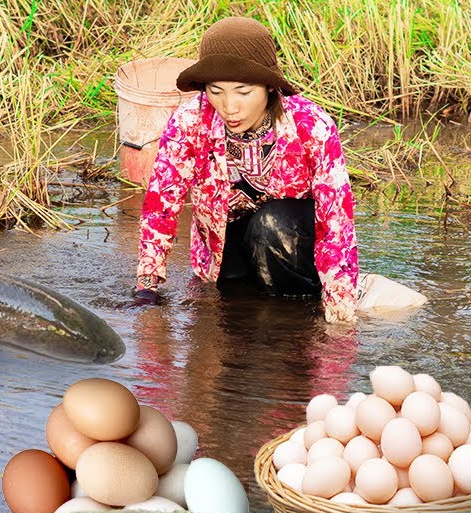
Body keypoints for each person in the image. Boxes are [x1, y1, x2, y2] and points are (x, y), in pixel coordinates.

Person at [129, 16, 361, 324]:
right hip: (228, 245)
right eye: (216, 91)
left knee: (270, 227)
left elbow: (336, 219)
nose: (229, 106)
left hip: (290, 239)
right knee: (231, 308)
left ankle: (297, 316)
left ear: (268, 87)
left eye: (243, 91)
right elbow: (162, 205)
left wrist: (340, 309)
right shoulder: (189, 123)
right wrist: (147, 286)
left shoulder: (311, 126)